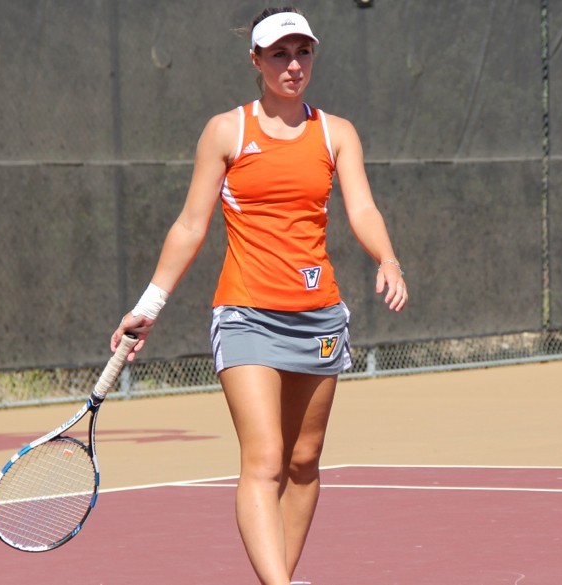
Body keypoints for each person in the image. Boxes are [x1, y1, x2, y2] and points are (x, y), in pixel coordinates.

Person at [110, 7, 407, 584]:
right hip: (245, 315)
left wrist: (388, 258)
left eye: (302, 52)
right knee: (266, 458)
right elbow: (191, 225)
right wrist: (148, 307)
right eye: (279, 54)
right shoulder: (227, 131)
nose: (293, 65)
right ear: (256, 60)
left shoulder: (336, 132)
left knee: (302, 463)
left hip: (320, 319)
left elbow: (362, 207)